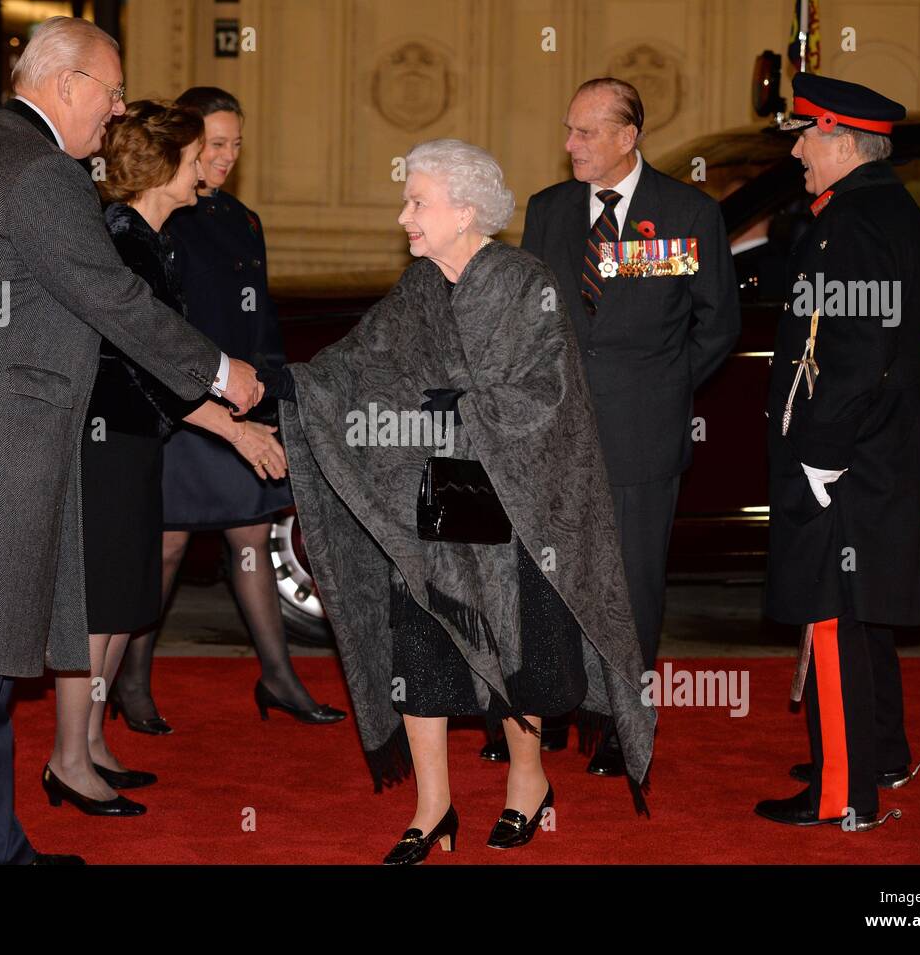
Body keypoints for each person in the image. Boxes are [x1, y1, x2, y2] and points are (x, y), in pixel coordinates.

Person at [0, 16, 263, 865]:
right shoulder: (41, 170)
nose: (118, 111)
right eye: (112, 91)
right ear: (65, 82)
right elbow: (112, 299)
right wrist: (221, 370)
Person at [260, 139, 655, 864]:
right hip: (432, 503)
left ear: (465, 210)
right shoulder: (415, 290)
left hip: (511, 507)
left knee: (517, 649)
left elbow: (552, 398)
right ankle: (433, 807)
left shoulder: (523, 282)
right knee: (422, 651)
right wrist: (291, 385)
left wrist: (467, 408)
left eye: (418, 201)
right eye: (408, 200)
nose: (404, 215)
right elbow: (358, 362)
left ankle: (528, 782)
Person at [44, 99, 288, 815]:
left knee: (124, 600)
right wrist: (235, 429)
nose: (202, 170)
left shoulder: (156, 236)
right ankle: (66, 759)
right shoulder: (121, 237)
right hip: (105, 442)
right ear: (162, 168)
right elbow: (148, 365)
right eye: (192, 159)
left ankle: (89, 743)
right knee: (97, 609)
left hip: (136, 438)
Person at [515, 77, 740, 774]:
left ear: (627, 136)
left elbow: (718, 324)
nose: (569, 145)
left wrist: (663, 390)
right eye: (569, 130)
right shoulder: (548, 210)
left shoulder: (687, 213)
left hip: (640, 431)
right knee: (551, 574)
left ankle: (620, 718)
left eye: (585, 134)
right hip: (556, 430)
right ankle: (554, 703)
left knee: (630, 581)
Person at [111, 86, 344, 735]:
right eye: (214, 145)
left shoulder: (242, 219)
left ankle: (278, 675)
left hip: (242, 402)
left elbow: (261, 321)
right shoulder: (163, 217)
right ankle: (131, 677)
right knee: (166, 547)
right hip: (184, 405)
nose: (225, 156)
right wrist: (216, 397)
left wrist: (269, 394)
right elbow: (159, 330)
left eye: (235, 144)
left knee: (249, 537)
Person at [755, 73, 920, 831]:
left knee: (830, 616)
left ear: (841, 138)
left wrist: (819, 453)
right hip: (876, 447)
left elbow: (856, 351)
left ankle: (842, 791)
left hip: (844, 454)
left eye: (805, 134)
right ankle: (876, 752)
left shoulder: (853, 224)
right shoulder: (886, 208)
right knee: (866, 613)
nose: (796, 149)